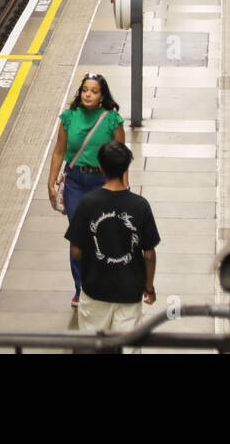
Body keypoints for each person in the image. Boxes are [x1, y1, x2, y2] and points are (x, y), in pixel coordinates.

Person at [65, 141, 160, 339]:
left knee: (92, 346)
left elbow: (75, 250)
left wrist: (90, 270)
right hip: (129, 291)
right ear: (126, 167)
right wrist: (148, 287)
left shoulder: (87, 203)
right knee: (127, 346)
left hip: (94, 290)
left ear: (100, 167)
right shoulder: (140, 205)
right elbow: (149, 254)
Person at [47, 73, 126, 308]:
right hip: (75, 183)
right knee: (78, 238)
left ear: (102, 96)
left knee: (103, 233)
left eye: (93, 91)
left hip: (104, 182)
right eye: (84, 90)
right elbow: (59, 152)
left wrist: (123, 187)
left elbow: (121, 156)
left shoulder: (113, 120)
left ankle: (104, 280)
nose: (88, 94)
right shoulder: (68, 118)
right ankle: (81, 288)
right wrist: (51, 183)